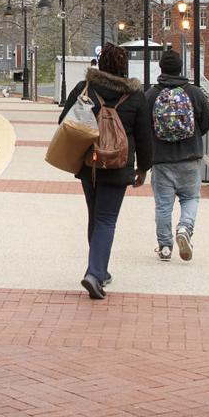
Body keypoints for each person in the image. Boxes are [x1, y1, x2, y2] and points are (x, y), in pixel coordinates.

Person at [58, 43, 153, 299]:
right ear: (124, 67)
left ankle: (99, 269)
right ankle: (95, 272)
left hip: (90, 164)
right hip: (119, 166)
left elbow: (64, 122)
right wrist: (143, 168)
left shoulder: (85, 89)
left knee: (95, 216)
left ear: (100, 64)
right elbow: (145, 137)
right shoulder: (135, 96)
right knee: (106, 219)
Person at [144, 50, 209, 262]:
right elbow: (206, 123)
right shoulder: (194, 93)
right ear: (180, 68)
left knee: (163, 205)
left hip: (161, 159)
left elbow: (144, 128)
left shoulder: (152, 95)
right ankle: (184, 227)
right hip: (190, 157)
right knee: (190, 197)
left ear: (161, 68)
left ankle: (164, 246)